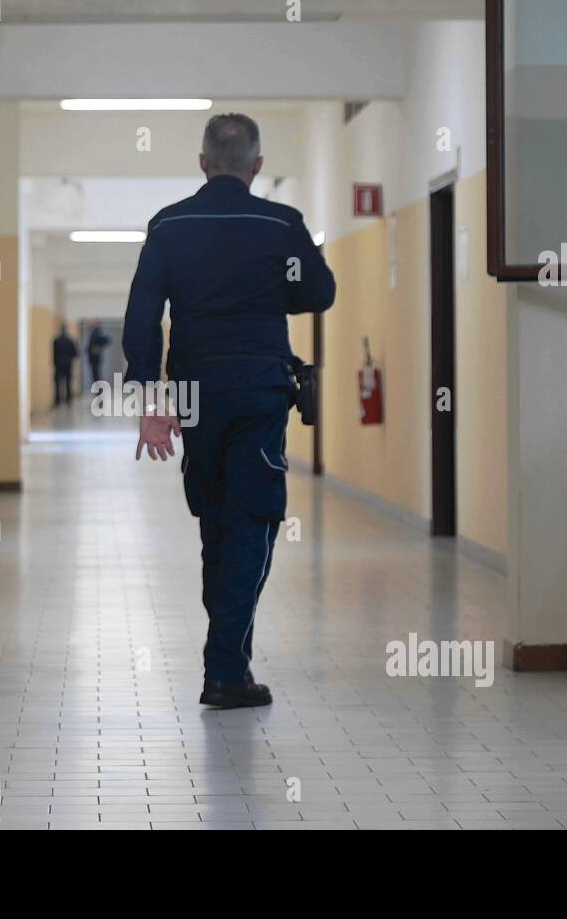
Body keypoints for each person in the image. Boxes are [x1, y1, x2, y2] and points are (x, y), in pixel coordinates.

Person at [122, 113, 335, 709]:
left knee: (216, 518)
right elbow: (319, 292)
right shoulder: (281, 223)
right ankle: (226, 670)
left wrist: (149, 402)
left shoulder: (170, 226)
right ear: (258, 166)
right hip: (259, 390)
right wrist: (269, 286)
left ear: (203, 163)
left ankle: (228, 661)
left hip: (195, 394)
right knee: (254, 518)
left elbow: (143, 317)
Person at [52, 323, 78, 406]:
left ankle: (57, 400)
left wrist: (55, 362)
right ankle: (68, 400)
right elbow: (75, 353)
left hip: (58, 364)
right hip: (68, 364)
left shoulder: (56, 340)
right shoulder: (70, 340)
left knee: (57, 383)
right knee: (68, 382)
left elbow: (54, 354)